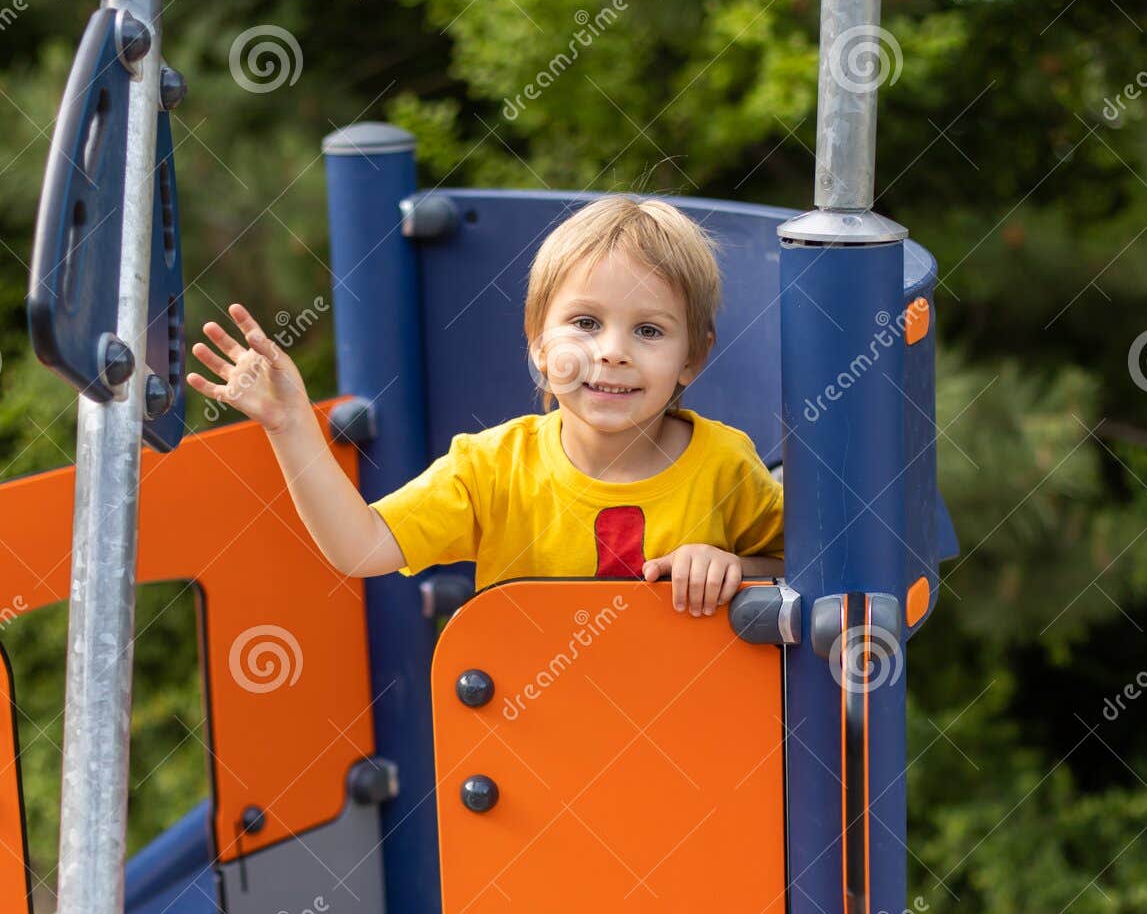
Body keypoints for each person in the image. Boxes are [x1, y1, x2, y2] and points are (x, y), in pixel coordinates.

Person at [186, 195, 783, 616]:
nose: (611, 352)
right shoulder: (492, 469)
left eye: (649, 331)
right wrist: (290, 425)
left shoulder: (725, 465)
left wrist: (737, 568)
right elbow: (359, 546)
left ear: (693, 358)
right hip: (536, 761)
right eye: (584, 322)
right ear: (538, 342)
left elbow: (812, 569)